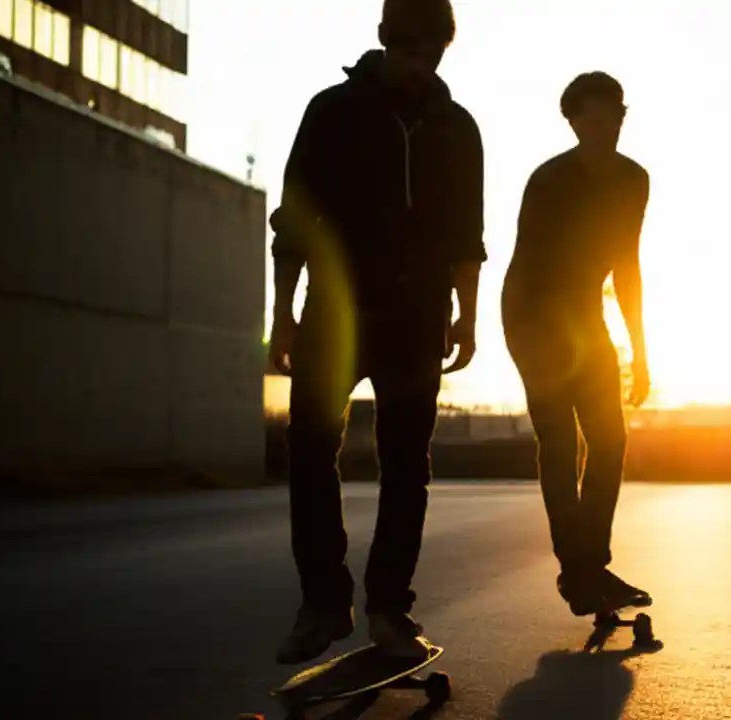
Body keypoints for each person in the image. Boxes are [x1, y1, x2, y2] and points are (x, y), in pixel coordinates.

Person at [267, 0, 485, 664]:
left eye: (436, 53)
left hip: (417, 317)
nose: (425, 66)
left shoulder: (457, 129)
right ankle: (323, 604)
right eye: (414, 51)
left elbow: (465, 236)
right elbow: (295, 220)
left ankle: (390, 609)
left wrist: (467, 317)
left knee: (406, 468)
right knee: (309, 449)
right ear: (387, 39)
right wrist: (282, 312)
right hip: (334, 312)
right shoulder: (331, 111)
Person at [502, 72, 653, 616]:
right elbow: (539, 269)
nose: (604, 126)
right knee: (561, 443)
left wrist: (640, 350)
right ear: (572, 121)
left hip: (584, 313)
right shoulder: (549, 180)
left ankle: (591, 564)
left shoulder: (635, 179)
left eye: (613, 114)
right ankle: (579, 569)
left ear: (622, 117)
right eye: (591, 117)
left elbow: (628, 265)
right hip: (532, 313)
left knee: (610, 440)